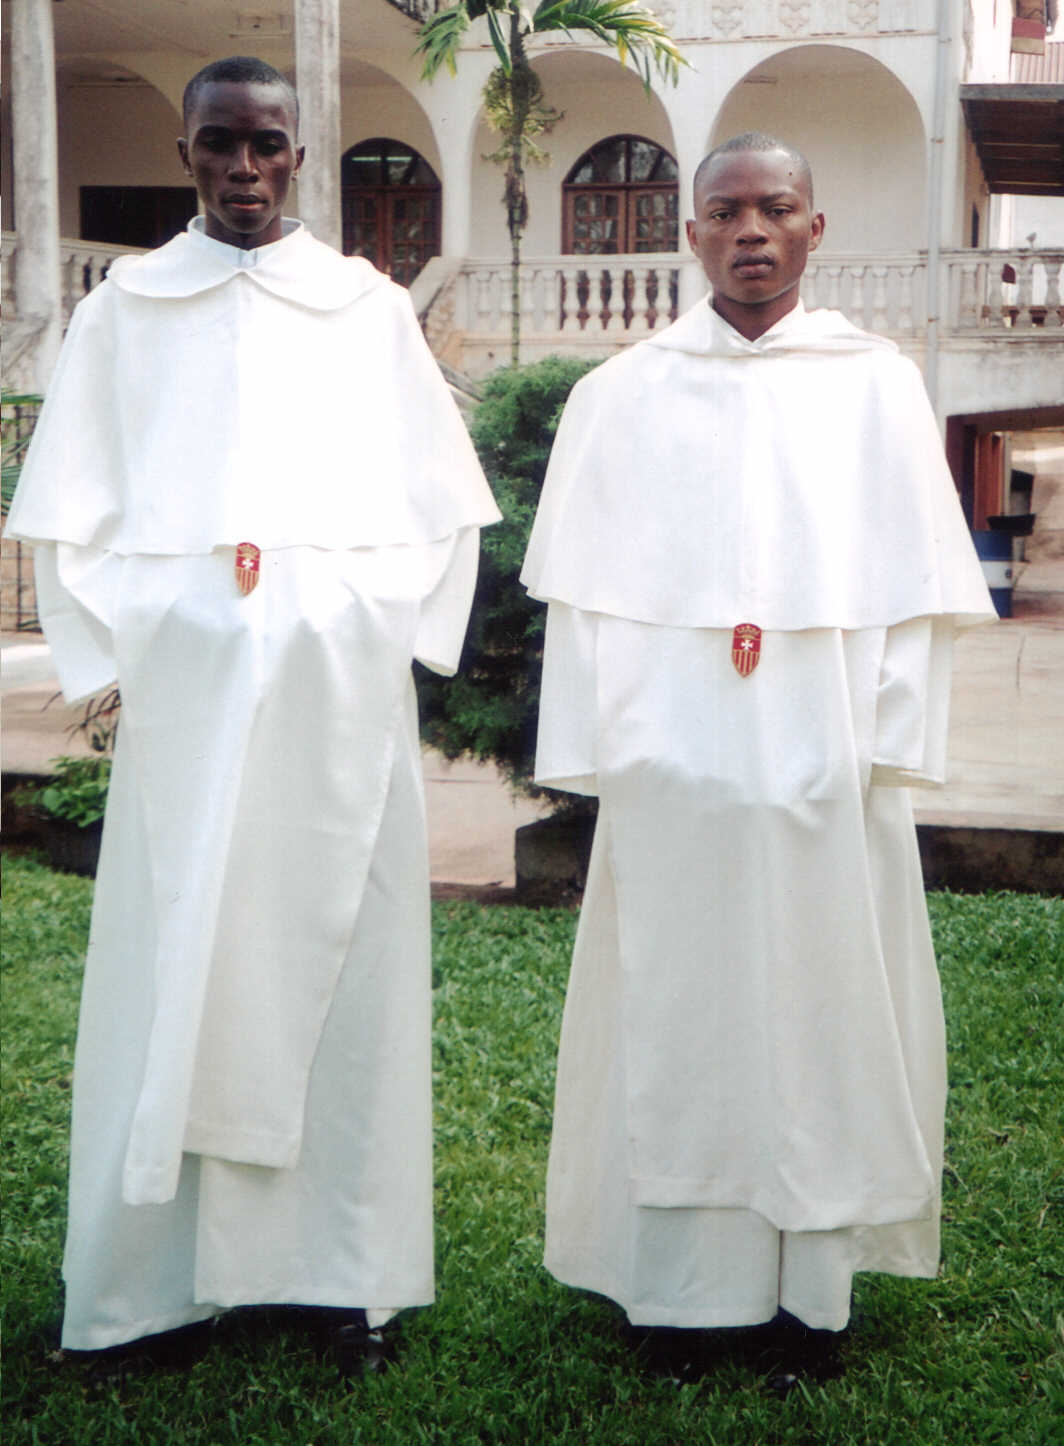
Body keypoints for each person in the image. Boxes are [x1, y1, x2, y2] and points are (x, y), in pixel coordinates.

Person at [7, 56, 498, 1361]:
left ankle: (335, 1273)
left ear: (300, 154)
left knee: (342, 978)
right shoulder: (125, 311)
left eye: (267, 144)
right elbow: (70, 514)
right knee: (174, 962)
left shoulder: (364, 310)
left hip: (335, 699)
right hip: (190, 700)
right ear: (186, 152)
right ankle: (150, 1283)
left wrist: (354, 613)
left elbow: (439, 508)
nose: (243, 167)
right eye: (218, 143)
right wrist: (153, 626)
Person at [521, 133, 994, 1361]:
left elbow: (913, 596)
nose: (748, 231)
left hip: (821, 747)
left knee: (820, 1008)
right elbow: (582, 604)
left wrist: (867, 749)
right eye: (722, 211)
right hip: (670, 753)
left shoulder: (874, 382)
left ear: (812, 228)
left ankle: (809, 1293)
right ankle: (676, 1288)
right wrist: (618, 751)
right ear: (689, 234)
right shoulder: (619, 394)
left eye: (774, 208)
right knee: (675, 1008)